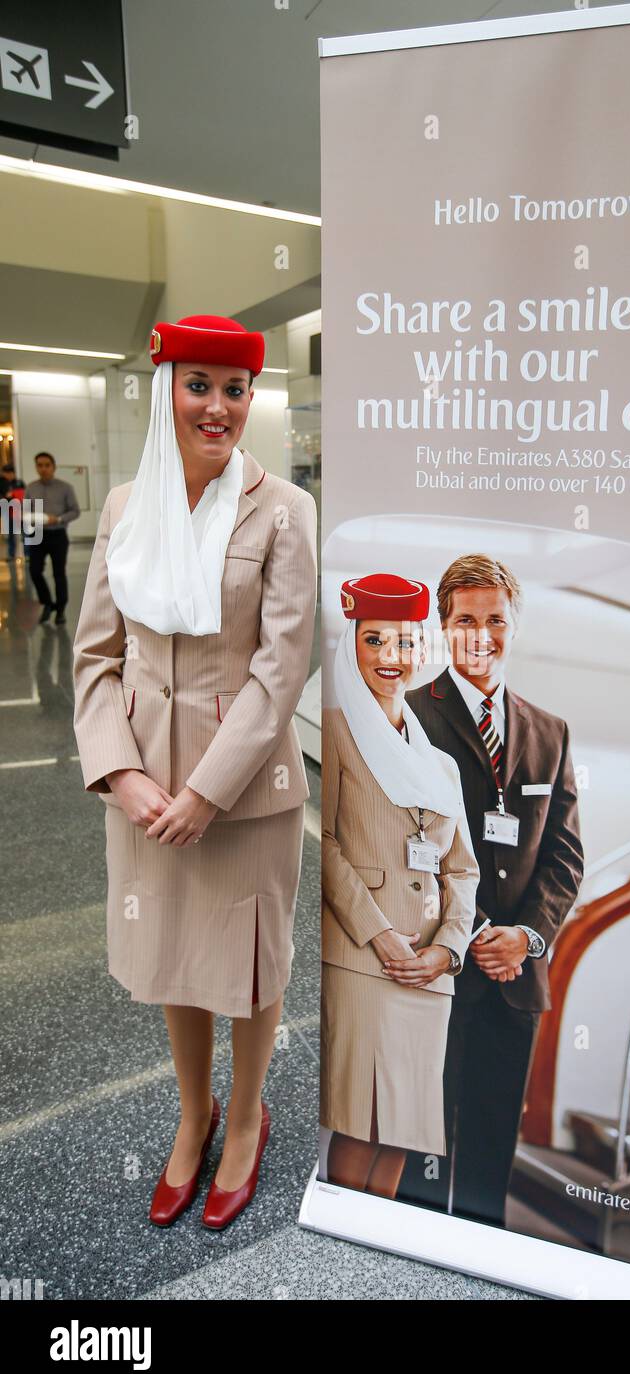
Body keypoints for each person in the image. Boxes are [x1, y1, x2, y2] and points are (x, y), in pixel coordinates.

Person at [72, 314, 317, 1229]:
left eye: (235, 388)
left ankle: (246, 1117)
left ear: (252, 399)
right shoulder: (128, 507)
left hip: (243, 791)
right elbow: (97, 656)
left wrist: (206, 790)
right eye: (199, 384)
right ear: (167, 389)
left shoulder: (285, 509)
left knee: (250, 967)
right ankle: (193, 1113)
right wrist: (120, 775)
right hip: (143, 790)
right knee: (174, 961)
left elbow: (282, 666)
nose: (217, 406)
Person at [398, 554, 584, 1227]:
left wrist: (526, 938)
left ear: (515, 625)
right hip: (437, 972)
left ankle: (479, 1252)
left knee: (489, 1155)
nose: (482, 633)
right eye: (466, 619)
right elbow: (408, 849)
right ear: (443, 627)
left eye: (496, 619)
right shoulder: (409, 718)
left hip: (515, 980)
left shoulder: (549, 731)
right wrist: (475, 936)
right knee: (421, 1151)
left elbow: (564, 856)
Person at [320, 573, 479, 1199]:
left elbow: (460, 867)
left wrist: (451, 948)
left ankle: (374, 1241)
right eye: (375, 640)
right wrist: (379, 933)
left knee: (405, 1132)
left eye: (407, 643)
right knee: (357, 1127)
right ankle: (337, 1253)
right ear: (350, 646)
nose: (393, 657)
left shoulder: (439, 762)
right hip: (365, 958)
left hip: (429, 969)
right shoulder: (336, 732)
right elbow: (325, 847)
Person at [25, 452, 80, 624]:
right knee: (34, 571)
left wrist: (58, 519)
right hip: (37, 534)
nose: (43, 469)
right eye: (39, 465)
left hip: (57, 534)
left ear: (53, 467)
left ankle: (61, 609)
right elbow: (26, 512)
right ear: (36, 467)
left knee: (59, 573)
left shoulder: (65, 488)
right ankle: (47, 603)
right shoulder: (31, 487)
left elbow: (75, 511)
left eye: (47, 465)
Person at [0, 460, 25, 565]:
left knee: (25, 534)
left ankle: (27, 554)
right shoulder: (1, 483)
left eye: (10, 473)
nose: (8, 475)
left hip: (20, 511)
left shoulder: (19, 483)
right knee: (11, 534)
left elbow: (24, 496)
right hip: (7, 512)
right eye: (6, 473)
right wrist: (8, 497)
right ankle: (11, 555)